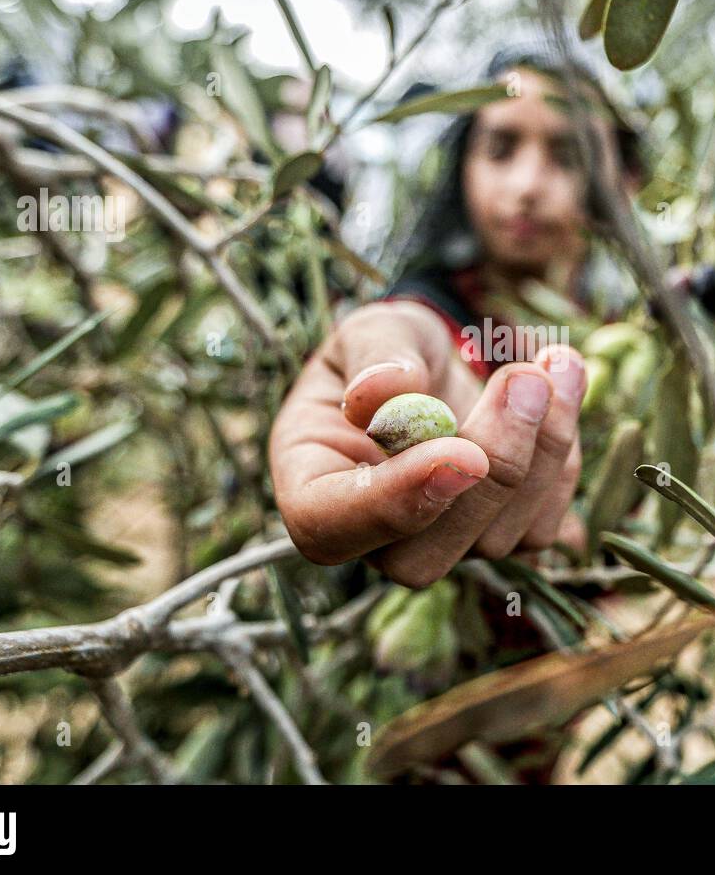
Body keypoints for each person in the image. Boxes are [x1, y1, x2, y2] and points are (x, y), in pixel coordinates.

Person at [269, 47, 645, 591]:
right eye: (500, 149)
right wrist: (386, 340)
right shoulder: (440, 311)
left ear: (623, 179)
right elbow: (408, 325)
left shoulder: (622, 326)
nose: (526, 187)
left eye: (568, 156)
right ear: (463, 164)